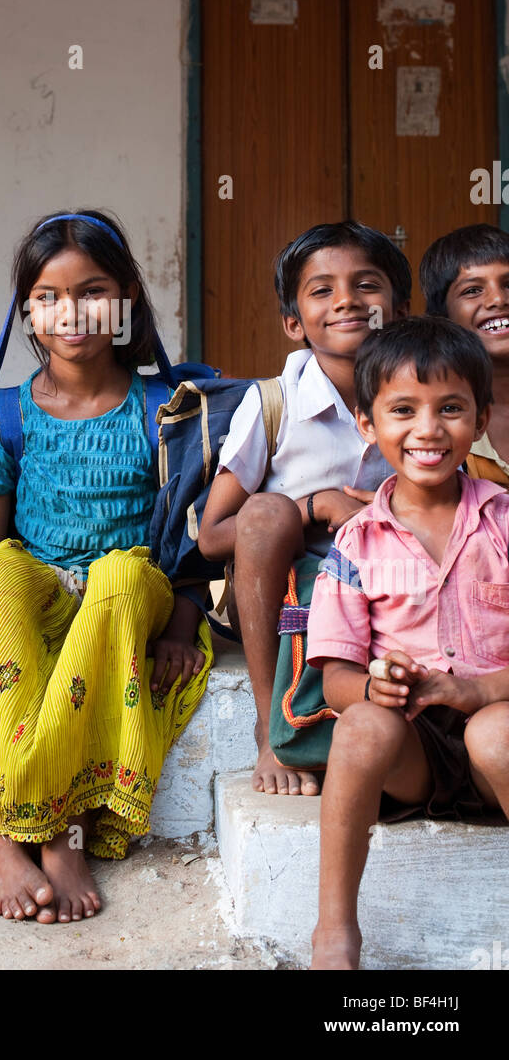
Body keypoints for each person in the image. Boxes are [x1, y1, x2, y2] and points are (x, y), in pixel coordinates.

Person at [0, 209, 212, 925]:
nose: (71, 312)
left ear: (129, 295)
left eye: (93, 290)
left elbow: (189, 546)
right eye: (48, 295)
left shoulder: (167, 410)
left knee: (120, 576)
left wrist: (183, 630)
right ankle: (2, 838)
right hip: (42, 587)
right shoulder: (2, 417)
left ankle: (64, 837)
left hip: (132, 595)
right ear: (27, 308)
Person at [308, 316, 509, 970]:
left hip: (497, 740)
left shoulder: (504, 521)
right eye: (403, 410)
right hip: (413, 753)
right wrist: (374, 684)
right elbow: (335, 677)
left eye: (450, 408)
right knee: (361, 726)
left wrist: (479, 689)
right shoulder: (355, 542)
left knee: (495, 733)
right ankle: (335, 932)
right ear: (366, 423)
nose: (428, 429)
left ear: (481, 418)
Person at [198, 221, 411, 795]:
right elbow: (213, 534)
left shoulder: (419, 398)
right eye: (322, 290)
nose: (347, 300)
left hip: (386, 583)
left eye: (367, 285)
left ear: (399, 308)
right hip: (286, 590)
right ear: (294, 323)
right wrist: (314, 505)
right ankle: (273, 734)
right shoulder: (274, 402)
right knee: (267, 513)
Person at [420, 223, 509, 487]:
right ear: (442, 317)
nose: (498, 300)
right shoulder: (431, 416)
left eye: (508, 284)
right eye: (472, 290)